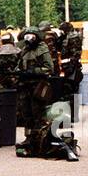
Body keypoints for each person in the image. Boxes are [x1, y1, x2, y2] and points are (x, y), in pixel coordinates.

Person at [14, 26, 54, 156]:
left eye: (31, 37)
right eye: (26, 37)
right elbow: (19, 64)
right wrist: (17, 72)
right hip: (25, 86)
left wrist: (33, 72)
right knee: (26, 114)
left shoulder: (42, 49)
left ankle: (40, 138)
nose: (28, 39)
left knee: (38, 114)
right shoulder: (24, 50)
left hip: (37, 86)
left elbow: (49, 69)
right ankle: (29, 138)